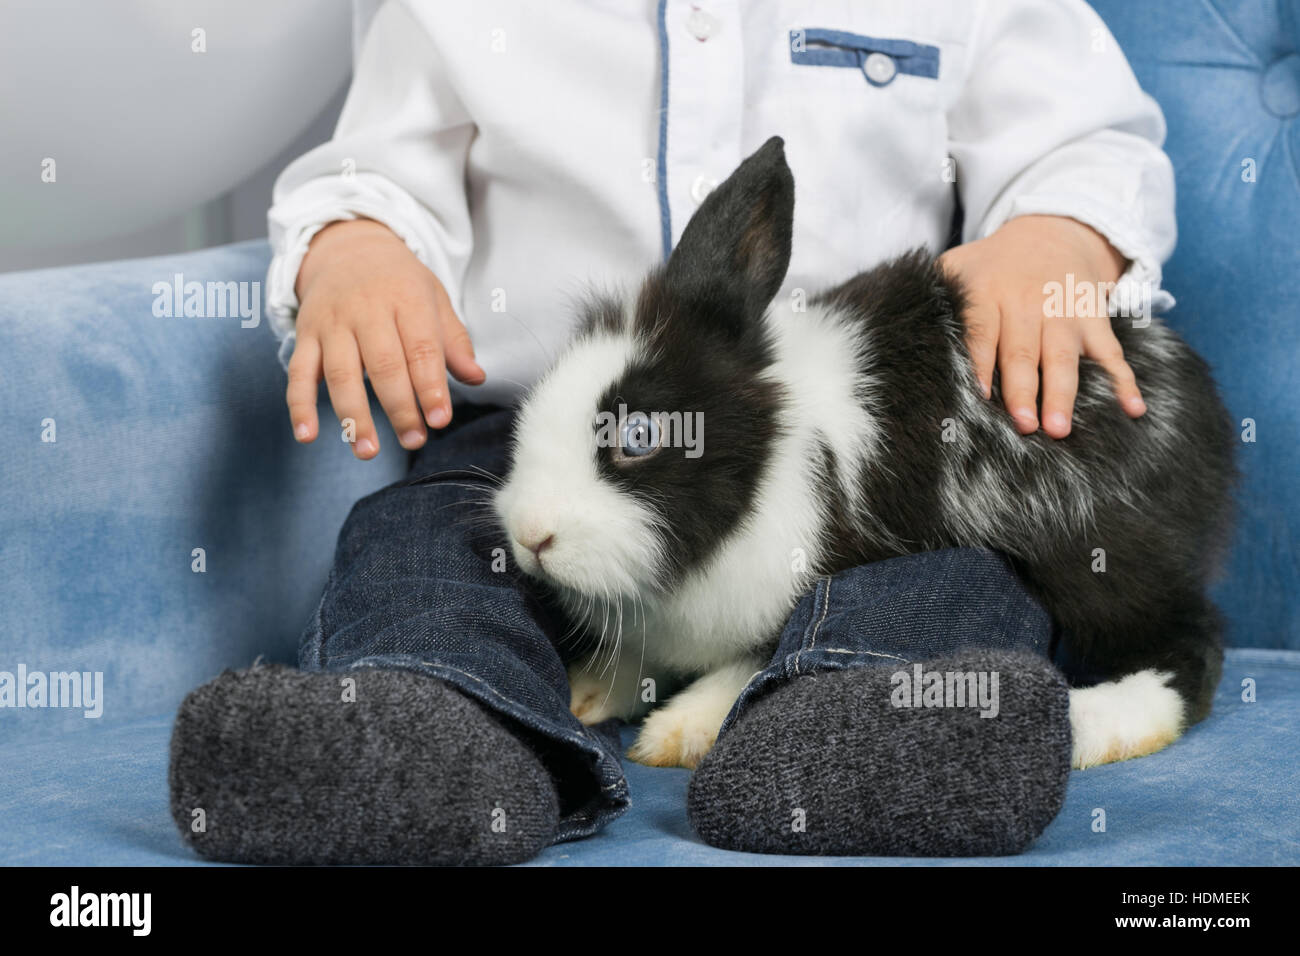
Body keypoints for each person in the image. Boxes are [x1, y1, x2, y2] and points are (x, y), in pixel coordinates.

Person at [169, 0, 1176, 863]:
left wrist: (1055, 233)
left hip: (849, 447)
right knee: (427, 539)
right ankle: (441, 720)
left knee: (949, 561)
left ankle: (861, 712)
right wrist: (358, 242)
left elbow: (1081, 141)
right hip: (532, 438)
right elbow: (378, 163)